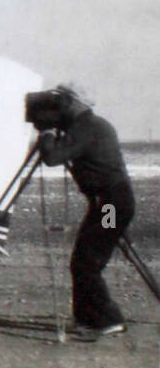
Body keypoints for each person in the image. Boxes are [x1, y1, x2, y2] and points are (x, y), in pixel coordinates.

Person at [37, 81, 135, 339]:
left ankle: (108, 320)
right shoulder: (88, 126)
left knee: (86, 262)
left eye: (62, 101)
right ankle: (87, 318)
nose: (58, 106)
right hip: (108, 201)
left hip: (111, 203)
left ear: (74, 102)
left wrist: (46, 134)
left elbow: (52, 158)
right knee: (82, 260)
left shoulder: (88, 127)